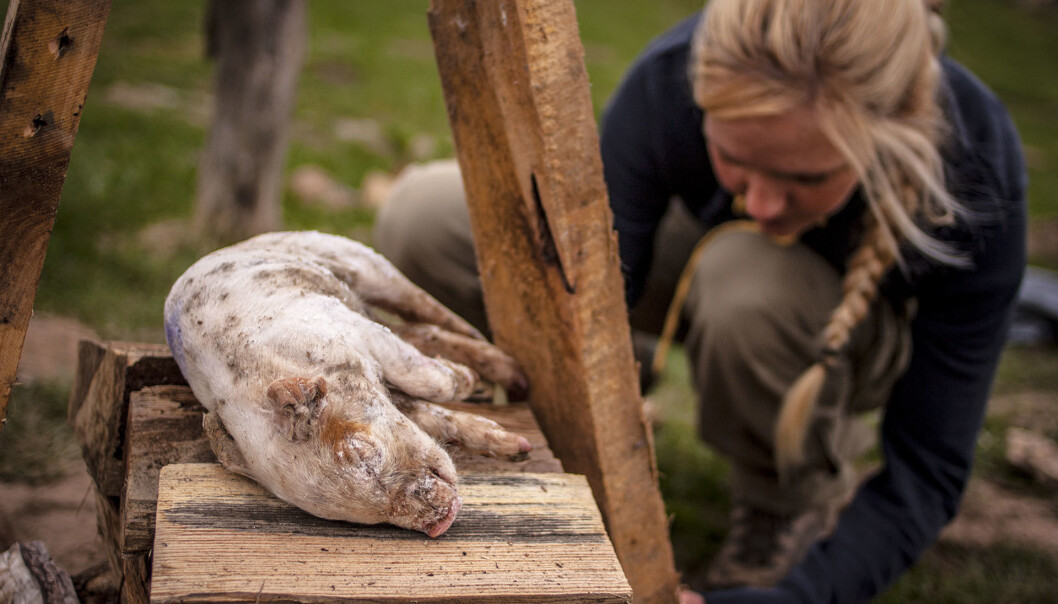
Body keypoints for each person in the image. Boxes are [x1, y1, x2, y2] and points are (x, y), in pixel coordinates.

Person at [374, 0, 1027, 601]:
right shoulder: (668, 81)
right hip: (693, 255)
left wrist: (791, 600)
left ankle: (783, 506)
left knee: (750, 281)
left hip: (835, 331)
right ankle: (488, 433)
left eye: (805, 176)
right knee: (426, 216)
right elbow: (581, 307)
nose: (764, 202)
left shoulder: (975, 171)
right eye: (737, 158)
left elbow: (928, 471)